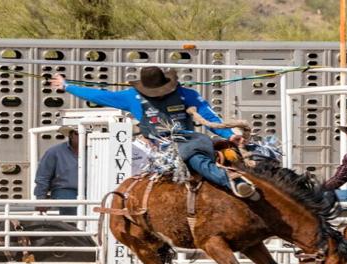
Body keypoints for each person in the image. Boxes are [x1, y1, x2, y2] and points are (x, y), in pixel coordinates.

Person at [48, 67, 257, 200]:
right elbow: (100, 95)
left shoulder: (187, 95)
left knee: (196, 156)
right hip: (151, 147)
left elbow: (208, 116)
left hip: (186, 140)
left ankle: (236, 181)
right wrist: (68, 87)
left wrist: (229, 134)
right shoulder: (132, 97)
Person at [34, 126, 80, 214]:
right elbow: (43, 177)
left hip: (91, 190)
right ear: (70, 135)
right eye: (77, 133)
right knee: (70, 205)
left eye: (88, 133)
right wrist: (40, 199)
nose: (83, 135)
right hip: (64, 191)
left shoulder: (96, 150)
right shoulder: (54, 152)